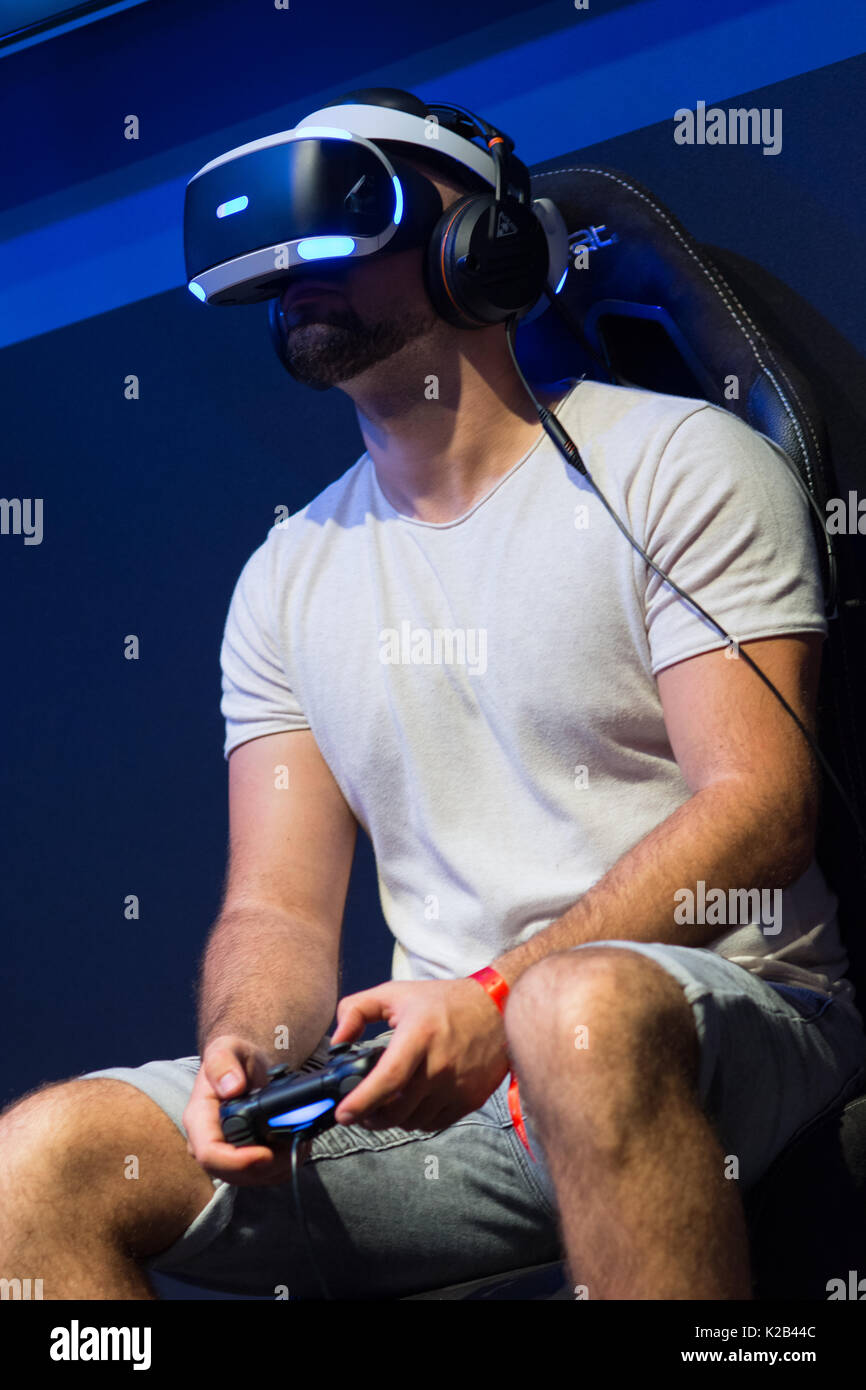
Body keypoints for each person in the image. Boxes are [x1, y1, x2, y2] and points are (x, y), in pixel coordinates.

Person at [1, 138, 865, 1303]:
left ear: (477, 239)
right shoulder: (286, 576)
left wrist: (500, 995)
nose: (300, 274)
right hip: (451, 1086)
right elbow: (274, 910)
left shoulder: (677, 463)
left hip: (719, 1022)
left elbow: (757, 808)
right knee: (38, 1161)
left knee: (577, 1012)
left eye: (345, 225)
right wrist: (247, 1046)